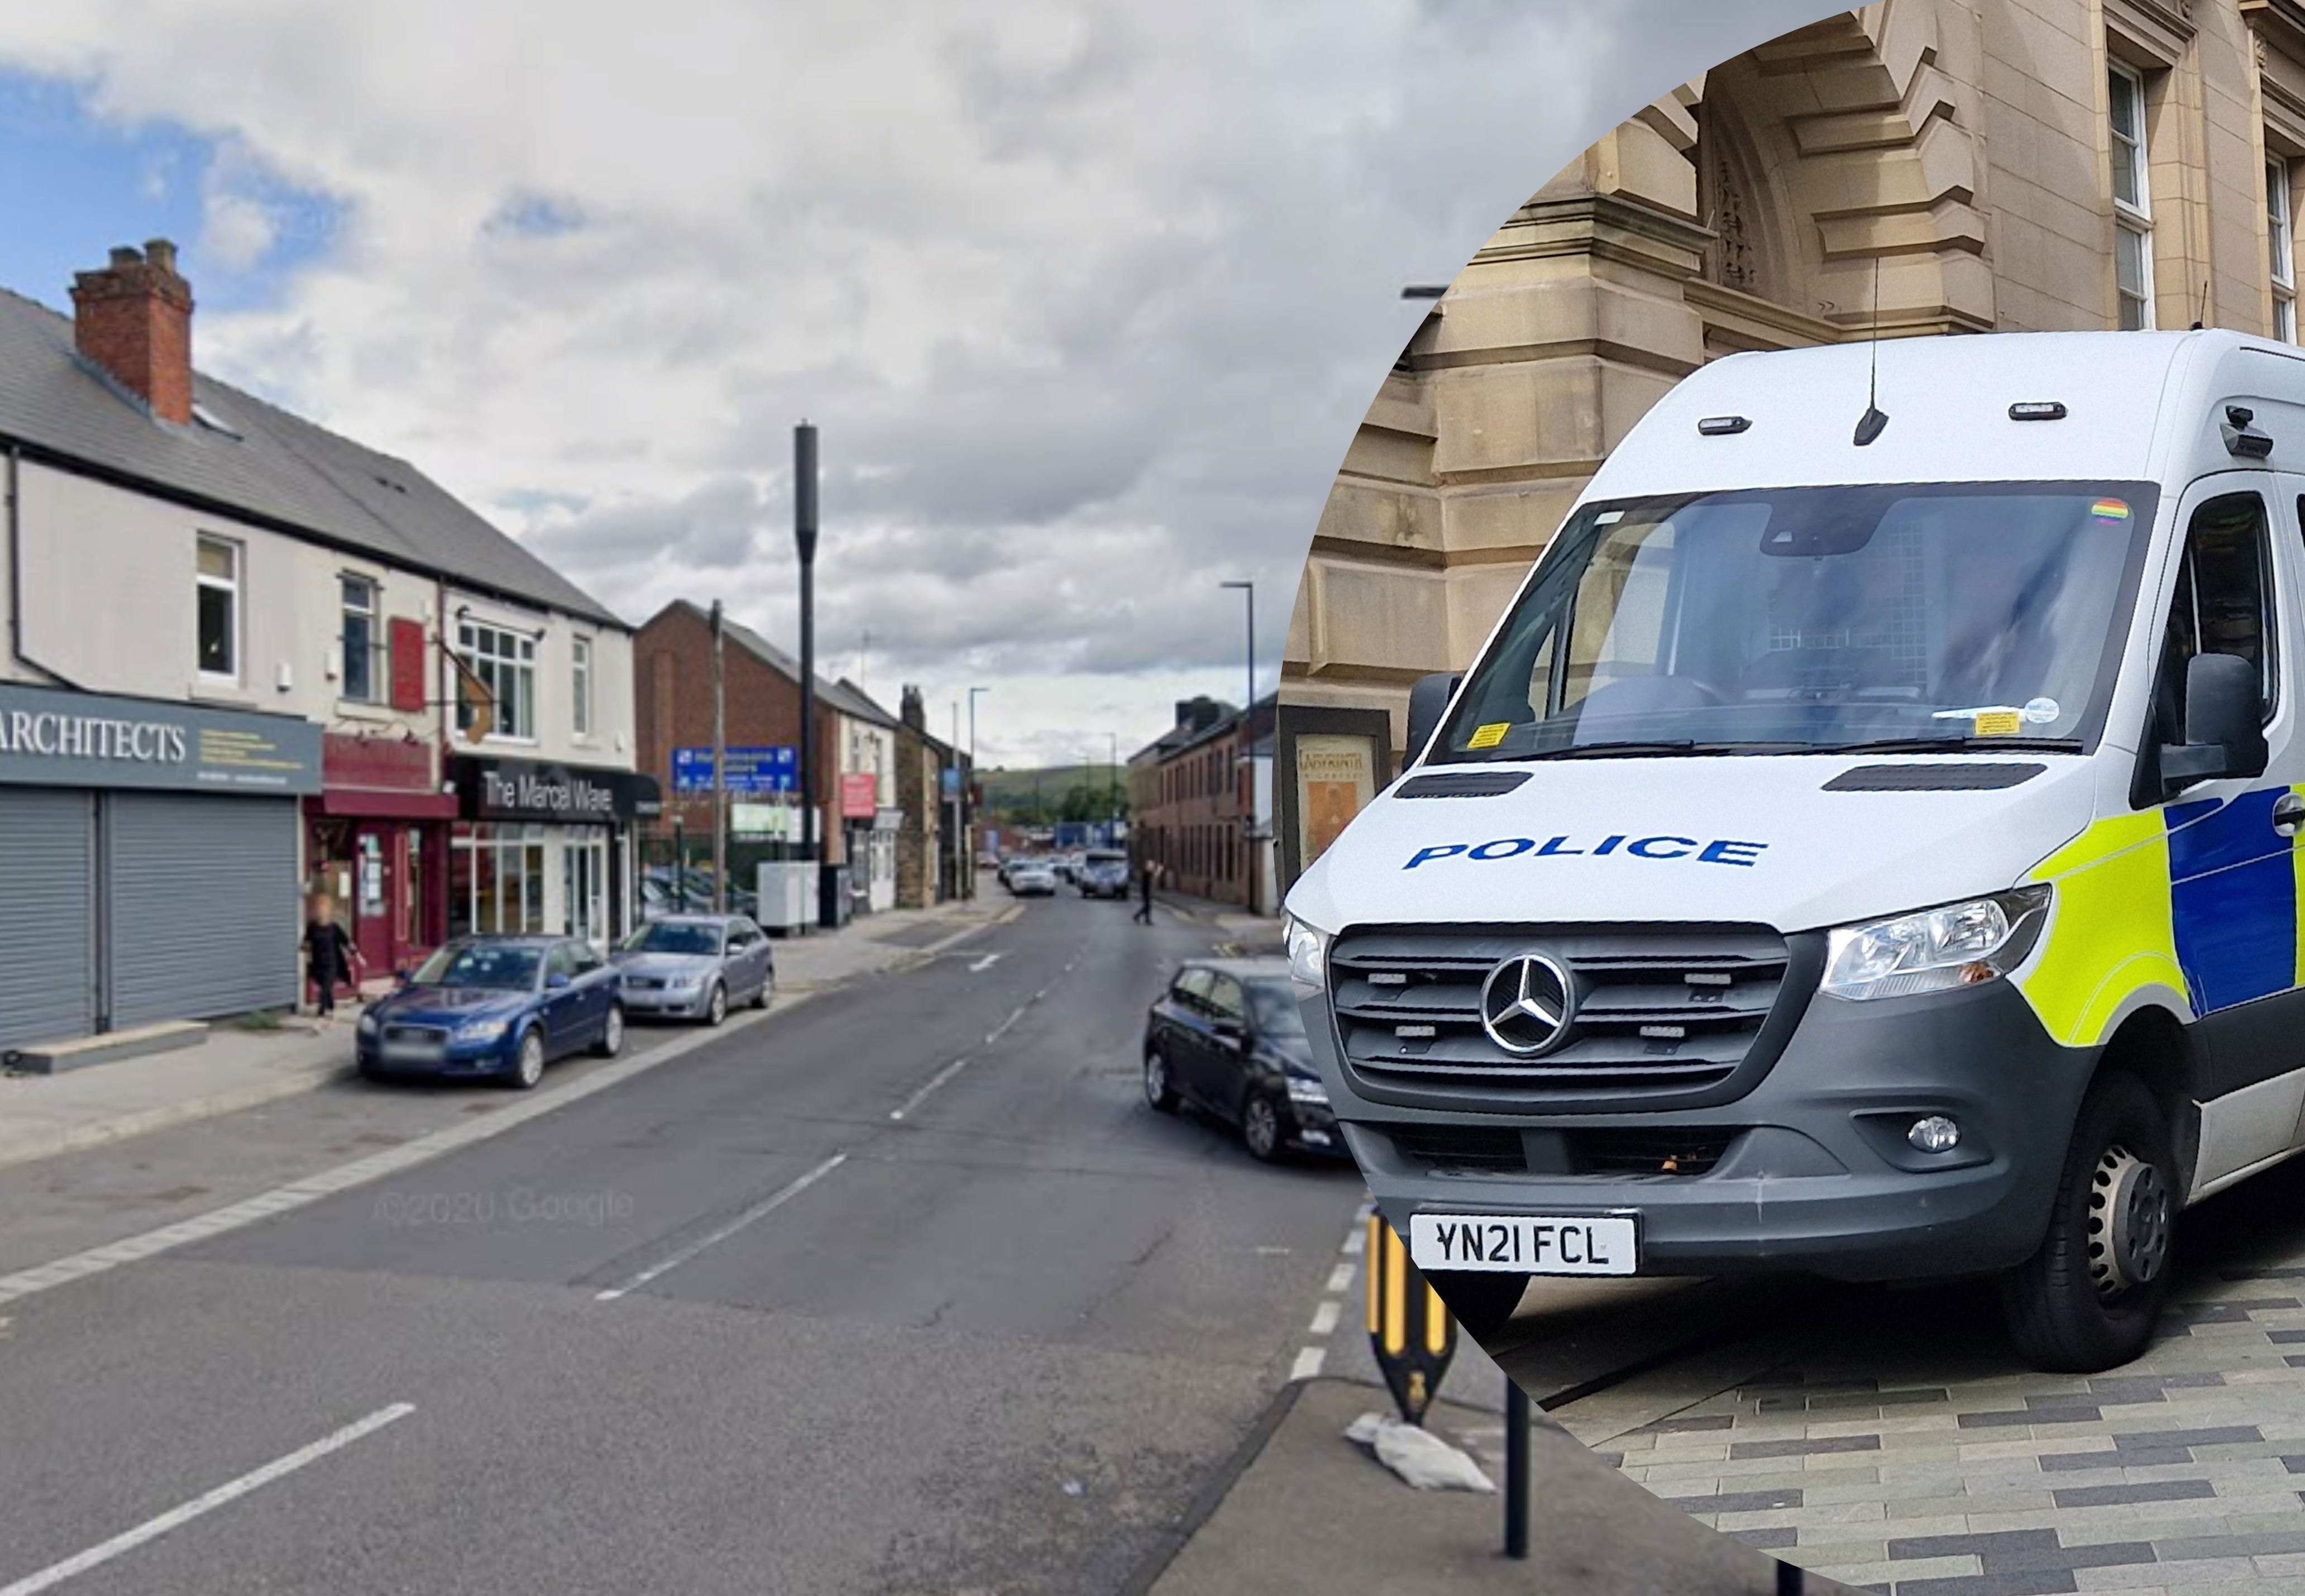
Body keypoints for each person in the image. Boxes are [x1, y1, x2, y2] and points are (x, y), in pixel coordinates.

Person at [303, 893, 363, 1024]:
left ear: (329, 910)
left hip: (332, 963)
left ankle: (320, 1018)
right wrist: (306, 953)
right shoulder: (312, 927)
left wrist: (358, 957)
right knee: (326, 989)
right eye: (319, 908)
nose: (321, 910)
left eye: (324, 908)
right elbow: (306, 943)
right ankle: (331, 1011)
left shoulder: (334, 928)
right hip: (318, 964)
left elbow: (347, 942)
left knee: (324, 990)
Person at [1133, 859, 1158, 925]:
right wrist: (1159, 870)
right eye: (1152, 866)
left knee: (1148, 906)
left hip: (1146, 891)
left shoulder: (1147, 873)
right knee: (1148, 906)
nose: (1153, 867)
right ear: (1148, 867)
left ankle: (1145, 919)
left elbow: (1153, 877)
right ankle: (1138, 916)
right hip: (1146, 891)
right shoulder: (1147, 873)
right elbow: (1154, 877)